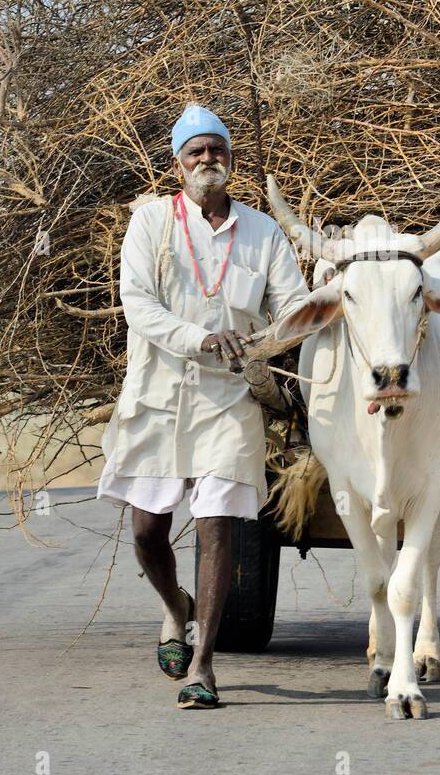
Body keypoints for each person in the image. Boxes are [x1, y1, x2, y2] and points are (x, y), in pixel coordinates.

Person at [97, 104, 309, 708]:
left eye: (217, 150)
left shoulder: (263, 233)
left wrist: (271, 340)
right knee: (146, 529)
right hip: (158, 396)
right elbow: (137, 303)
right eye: (196, 152)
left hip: (229, 397)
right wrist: (199, 338)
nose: (208, 160)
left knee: (216, 526)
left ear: (232, 161)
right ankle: (175, 609)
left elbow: (292, 308)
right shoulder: (150, 225)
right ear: (178, 165)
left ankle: (204, 666)